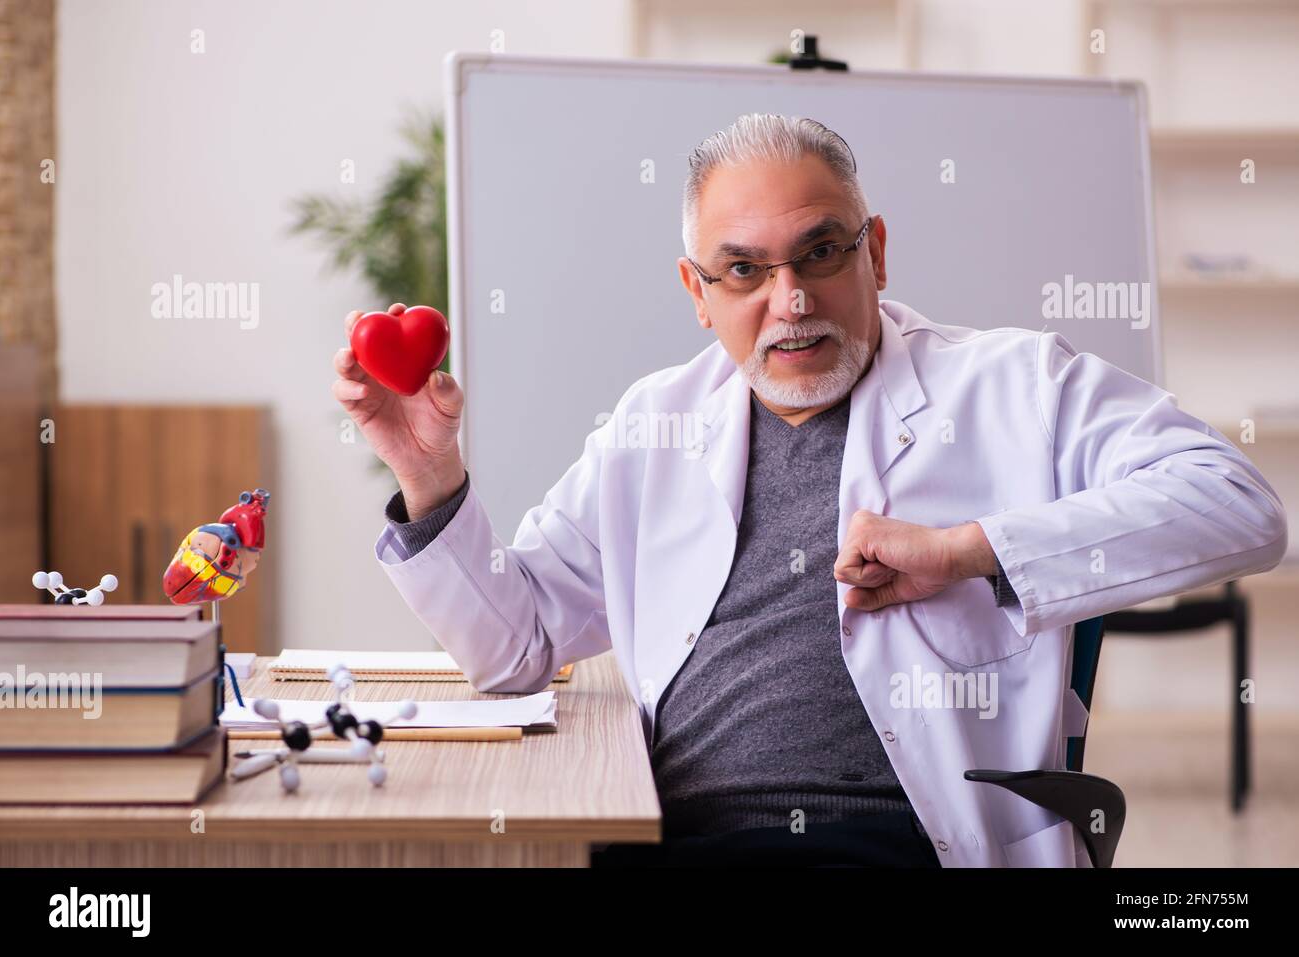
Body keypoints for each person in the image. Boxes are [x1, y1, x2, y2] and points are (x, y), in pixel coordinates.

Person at [332, 113, 1287, 867]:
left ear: (874, 252)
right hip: (669, 835)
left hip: (897, 843)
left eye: (820, 254)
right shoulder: (653, 424)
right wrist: (427, 471)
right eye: (744, 269)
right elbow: (517, 647)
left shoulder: (1015, 387)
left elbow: (1239, 503)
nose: (789, 300)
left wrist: (973, 551)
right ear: (697, 291)